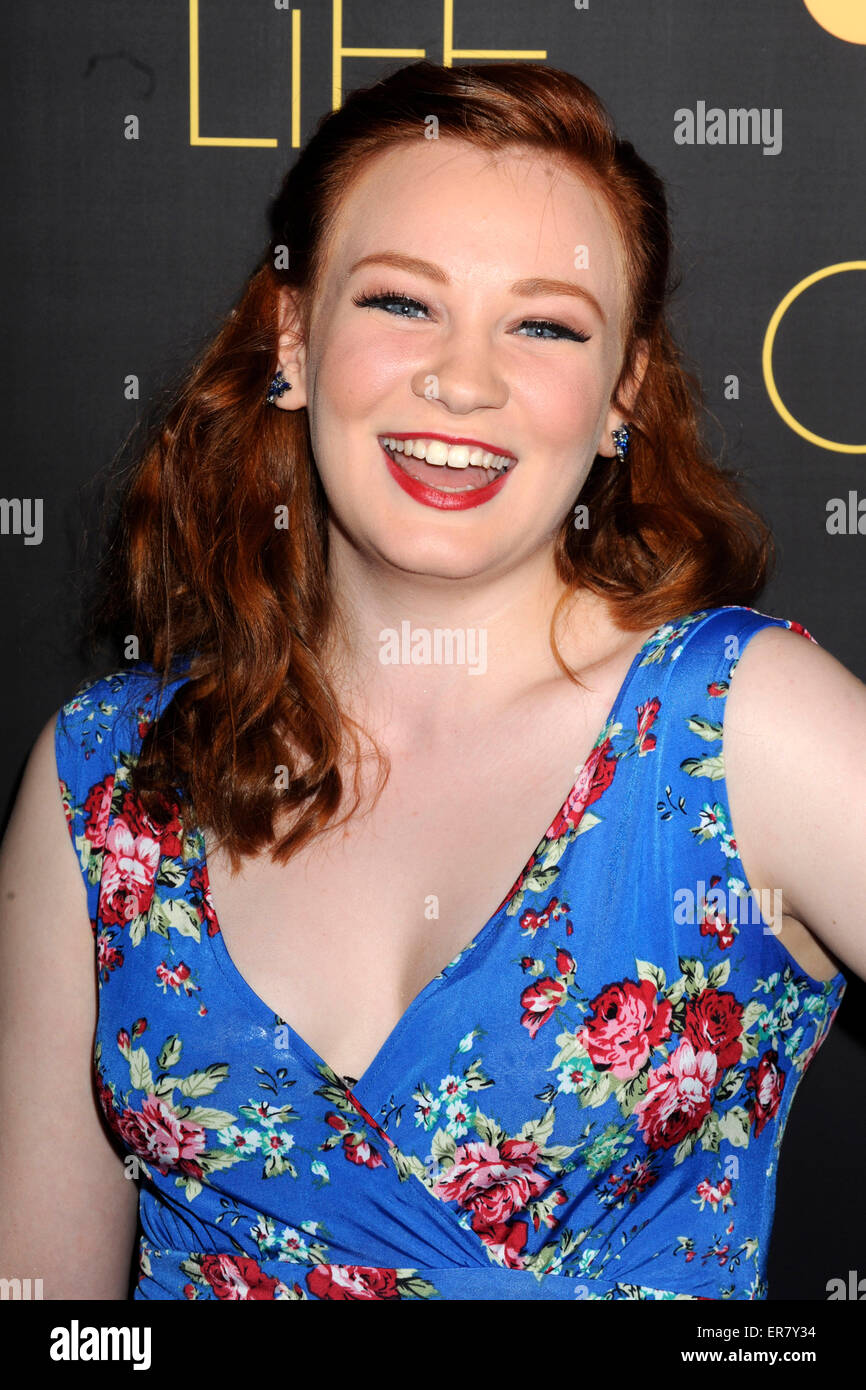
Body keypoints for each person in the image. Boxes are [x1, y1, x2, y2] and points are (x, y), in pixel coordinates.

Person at [1, 60, 863, 1303]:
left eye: (546, 323)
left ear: (620, 392)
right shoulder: (104, 781)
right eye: (403, 303)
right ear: (291, 337)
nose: (463, 381)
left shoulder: (742, 731)